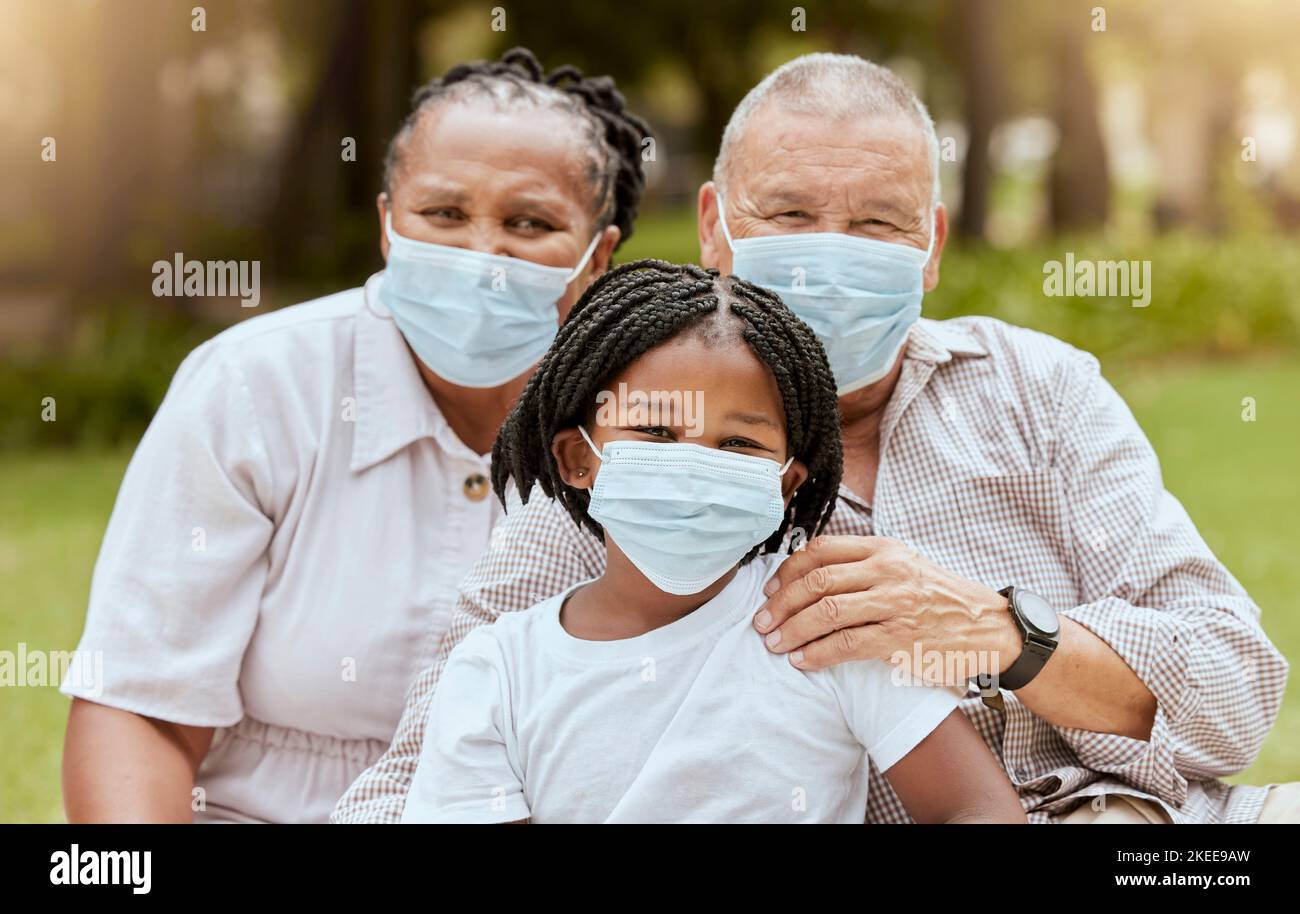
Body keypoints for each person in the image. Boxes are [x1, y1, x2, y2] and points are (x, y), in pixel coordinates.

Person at [335, 53, 1294, 825]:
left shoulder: (1038, 392)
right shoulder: (630, 460)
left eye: (876, 223)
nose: (830, 251)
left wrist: (999, 633)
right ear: (714, 225)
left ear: (931, 247)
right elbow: (421, 766)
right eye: (789, 214)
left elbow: (1235, 690)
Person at [58, 47, 651, 823]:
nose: (482, 253)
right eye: (443, 214)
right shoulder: (253, 385)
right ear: (387, 225)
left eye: (529, 222)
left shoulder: (656, 426)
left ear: (597, 257)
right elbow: (142, 707)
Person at [400, 259, 1026, 823]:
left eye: (738, 445)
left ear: (785, 485)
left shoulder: (828, 628)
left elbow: (978, 809)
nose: (694, 465)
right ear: (576, 459)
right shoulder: (498, 673)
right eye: (655, 431)